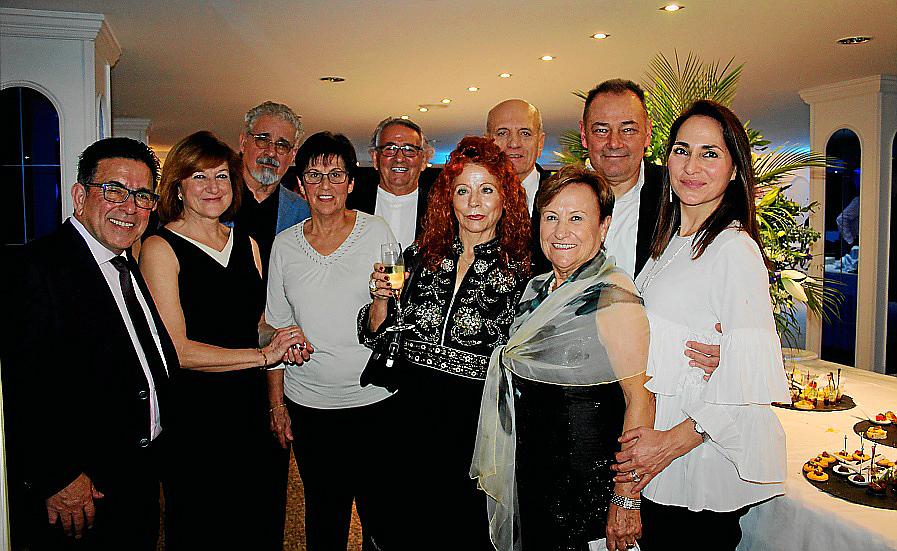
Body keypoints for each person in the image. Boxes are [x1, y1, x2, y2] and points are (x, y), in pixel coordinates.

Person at [613, 100, 790, 550]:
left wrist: (668, 443)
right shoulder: (670, 240)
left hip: (695, 461)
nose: (692, 166)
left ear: (734, 169)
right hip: (663, 456)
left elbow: (752, 379)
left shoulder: (733, 249)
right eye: (681, 150)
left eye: (710, 153)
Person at [1, 137, 178, 550]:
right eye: (114, 190)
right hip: (82, 492)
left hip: (135, 477)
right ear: (80, 196)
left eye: (143, 196)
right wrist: (56, 475)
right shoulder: (36, 269)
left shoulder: (124, 264)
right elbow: (20, 385)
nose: (129, 207)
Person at [360, 136, 531, 549]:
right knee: (402, 530)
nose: (474, 202)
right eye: (463, 190)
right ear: (448, 200)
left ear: (505, 198)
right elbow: (376, 334)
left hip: (474, 424)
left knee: (459, 533)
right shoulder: (422, 254)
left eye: (486, 189)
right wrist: (381, 298)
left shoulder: (526, 270)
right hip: (409, 416)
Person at [471, 166, 654, 551]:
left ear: (603, 227)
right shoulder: (535, 288)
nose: (560, 231)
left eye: (576, 218)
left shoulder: (613, 297)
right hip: (533, 475)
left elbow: (641, 400)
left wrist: (625, 498)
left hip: (585, 486)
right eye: (551, 217)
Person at [137, 131, 303, 549]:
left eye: (222, 177)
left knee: (259, 521)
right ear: (178, 186)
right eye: (199, 177)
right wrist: (264, 354)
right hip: (197, 417)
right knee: (204, 526)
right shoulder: (160, 247)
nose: (213, 188)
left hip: (250, 411)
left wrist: (282, 338)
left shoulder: (247, 245)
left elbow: (259, 323)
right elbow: (178, 350)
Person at [266, 131, 398, 550]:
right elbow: (272, 327)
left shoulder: (378, 231)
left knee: (382, 516)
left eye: (335, 174)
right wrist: (277, 404)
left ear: (351, 183)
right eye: (314, 175)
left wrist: (383, 298)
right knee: (324, 515)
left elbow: (394, 321)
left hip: (374, 402)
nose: (325, 185)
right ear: (300, 185)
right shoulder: (284, 246)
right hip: (310, 406)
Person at [581, 78, 721, 377]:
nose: (614, 142)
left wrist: (729, 341)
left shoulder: (683, 193)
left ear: (648, 133)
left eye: (628, 129)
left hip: (660, 373)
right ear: (584, 135)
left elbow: (724, 273)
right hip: (575, 374)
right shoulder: (554, 200)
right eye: (601, 130)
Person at [234, 100, 311, 280]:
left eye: (282, 145)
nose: (271, 152)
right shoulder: (212, 199)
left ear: (292, 155)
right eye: (263, 140)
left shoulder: (303, 214)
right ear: (244, 142)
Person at [486, 98, 552, 274]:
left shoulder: (561, 195)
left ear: (541, 142)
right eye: (502, 133)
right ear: (487, 141)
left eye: (525, 133)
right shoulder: (467, 199)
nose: (514, 143)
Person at [347, 117, 433, 249]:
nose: (399, 158)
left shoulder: (439, 212)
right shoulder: (350, 206)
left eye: (409, 149)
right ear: (375, 158)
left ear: (424, 160)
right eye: (390, 149)